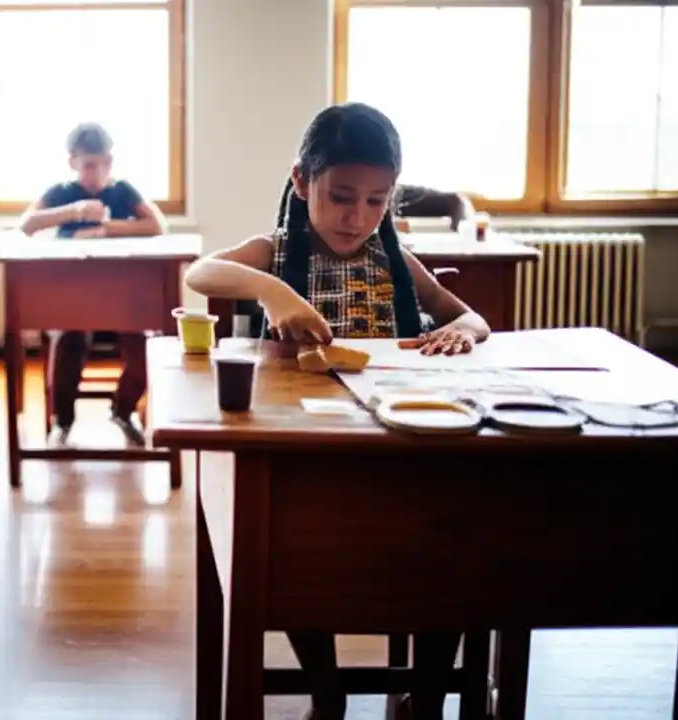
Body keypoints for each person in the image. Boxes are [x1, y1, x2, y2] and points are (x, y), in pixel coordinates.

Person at [183, 102, 490, 720]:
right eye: (342, 195)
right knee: (300, 555)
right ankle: (327, 690)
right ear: (302, 182)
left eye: (377, 201)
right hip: (310, 446)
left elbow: (469, 315)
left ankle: (425, 699)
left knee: (453, 549)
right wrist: (274, 291)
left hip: (403, 437)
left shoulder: (394, 260)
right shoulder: (278, 251)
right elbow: (200, 272)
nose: (358, 217)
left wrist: (464, 333)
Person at [17, 122, 167, 446]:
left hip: (122, 297)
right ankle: (63, 420)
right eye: (88, 165)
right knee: (69, 340)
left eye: (104, 164)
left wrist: (106, 229)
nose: (97, 172)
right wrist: (73, 213)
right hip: (72, 298)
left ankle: (123, 408)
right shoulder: (62, 193)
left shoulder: (122, 191)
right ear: (73, 162)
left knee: (145, 346)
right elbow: (26, 225)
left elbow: (157, 225)